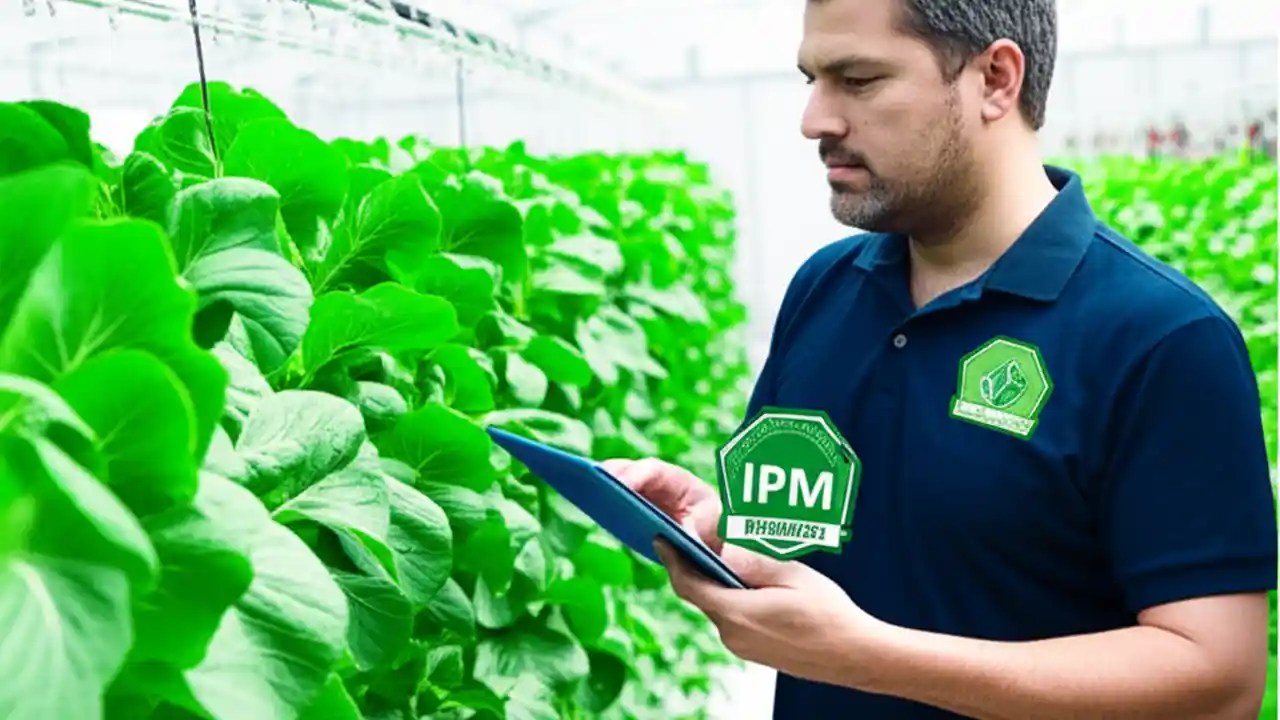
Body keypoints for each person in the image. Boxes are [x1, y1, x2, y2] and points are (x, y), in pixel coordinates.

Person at [602, 0, 1279, 718]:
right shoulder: (825, 292)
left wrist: (866, 656)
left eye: (858, 80)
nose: (815, 120)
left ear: (995, 78)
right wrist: (708, 524)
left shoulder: (1160, 337)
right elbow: (845, 543)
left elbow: (1218, 681)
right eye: (811, 79)